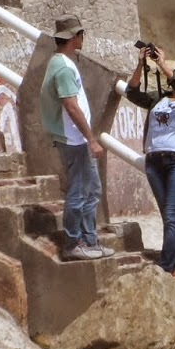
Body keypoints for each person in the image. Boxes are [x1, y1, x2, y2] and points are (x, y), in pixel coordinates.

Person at [124, 43, 175, 279]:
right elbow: (132, 92)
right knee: (169, 217)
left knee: (171, 214)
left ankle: (166, 265)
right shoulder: (157, 99)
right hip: (155, 161)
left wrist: (163, 64)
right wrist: (141, 63)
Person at [39, 15, 113, 262]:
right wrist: (91, 138)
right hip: (74, 140)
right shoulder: (62, 67)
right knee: (79, 193)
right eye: (81, 34)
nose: (83, 38)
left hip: (76, 139)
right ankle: (74, 243)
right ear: (74, 37)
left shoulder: (63, 63)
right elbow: (71, 106)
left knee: (92, 190)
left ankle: (90, 240)